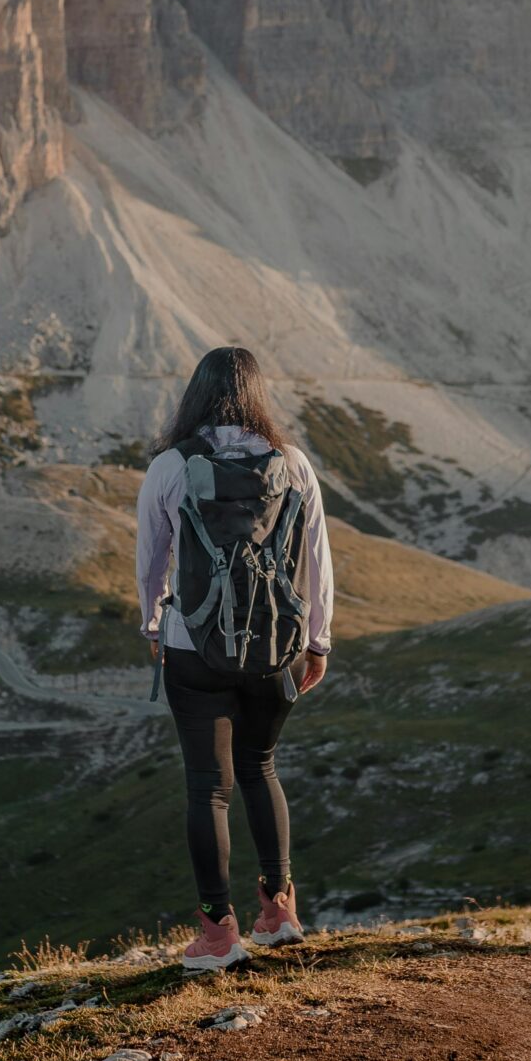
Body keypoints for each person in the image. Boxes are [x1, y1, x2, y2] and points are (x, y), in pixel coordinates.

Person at [135, 345, 334, 972]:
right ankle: (280, 912)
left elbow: (150, 559)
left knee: (208, 788)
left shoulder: (171, 465)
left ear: (195, 395)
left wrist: (153, 624)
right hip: (277, 648)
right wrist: (318, 641)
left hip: (193, 647)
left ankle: (218, 934)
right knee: (261, 768)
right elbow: (318, 558)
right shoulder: (293, 463)